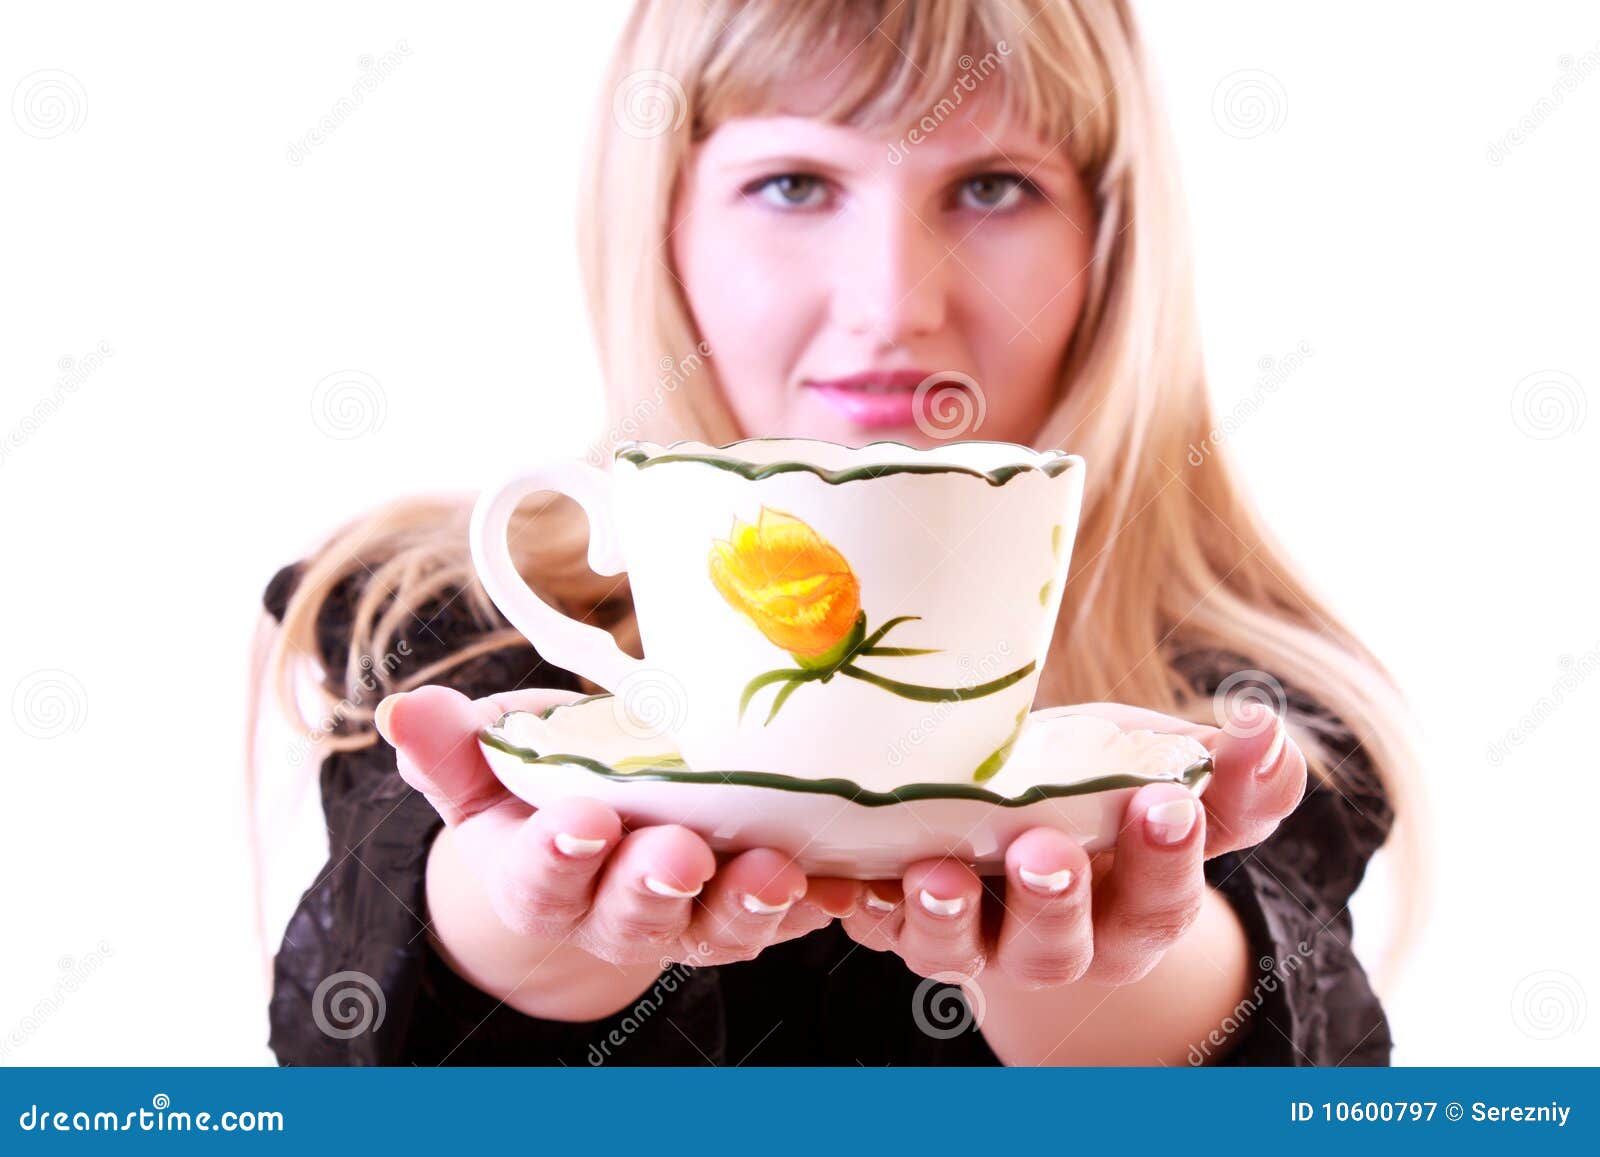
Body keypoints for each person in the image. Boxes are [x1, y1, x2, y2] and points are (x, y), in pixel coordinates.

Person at [252, 0, 1423, 1066]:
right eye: (794, 185)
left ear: (1106, 247)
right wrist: (523, 919)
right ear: (660, 222)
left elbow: (1281, 1051)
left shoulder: (1250, 694)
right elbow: (356, 1053)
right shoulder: (433, 620)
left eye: (992, 187)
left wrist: (1116, 962)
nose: (892, 303)